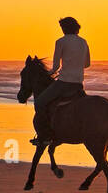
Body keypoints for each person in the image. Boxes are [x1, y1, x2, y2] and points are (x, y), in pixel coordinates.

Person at [31, 16, 90, 146]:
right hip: (78, 84)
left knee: (40, 102)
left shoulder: (60, 42)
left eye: (62, 27)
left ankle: (45, 135)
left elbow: (56, 67)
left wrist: (47, 74)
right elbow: (87, 64)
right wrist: (75, 65)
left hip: (64, 83)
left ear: (64, 28)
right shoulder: (84, 42)